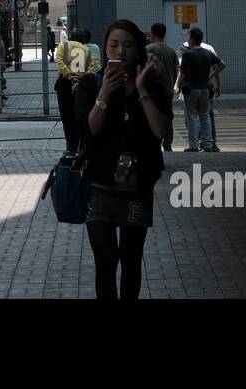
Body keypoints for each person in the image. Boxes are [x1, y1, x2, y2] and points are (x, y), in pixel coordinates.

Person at [74, 20, 170, 300]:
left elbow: (160, 131)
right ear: (105, 49)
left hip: (137, 189)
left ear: (139, 49)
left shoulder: (152, 85)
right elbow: (88, 130)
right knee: (105, 260)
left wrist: (141, 91)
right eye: (114, 45)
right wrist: (104, 93)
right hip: (100, 186)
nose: (121, 51)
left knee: (131, 260)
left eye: (128, 45)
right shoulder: (91, 84)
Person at [178, 27, 225, 151]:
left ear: (192, 39)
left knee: (192, 117)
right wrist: (211, 76)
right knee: (205, 116)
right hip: (205, 89)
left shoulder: (187, 54)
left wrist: (178, 86)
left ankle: (194, 145)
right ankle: (208, 144)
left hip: (191, 90)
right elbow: (222, 65)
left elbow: (182, 73)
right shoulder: (208, 53)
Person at [55, 27, 97, 153]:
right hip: (81, 85)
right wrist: (81, 80)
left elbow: (60, 62)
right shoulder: (86, 50)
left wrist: (69, 76)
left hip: (65, 83)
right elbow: (91, 67)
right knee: (79, 115)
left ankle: (70, 146)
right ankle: (80, 145)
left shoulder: (63, 46)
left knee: (66, 116)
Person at [145, 23, 179, 151]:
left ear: (152, 33)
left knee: (153, 115)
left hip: (154, 91)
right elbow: (177, 69)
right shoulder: (171, 50)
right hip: (168, 89)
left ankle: (155, 141)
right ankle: (168, 143)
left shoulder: (149, 48)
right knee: (168, 116)